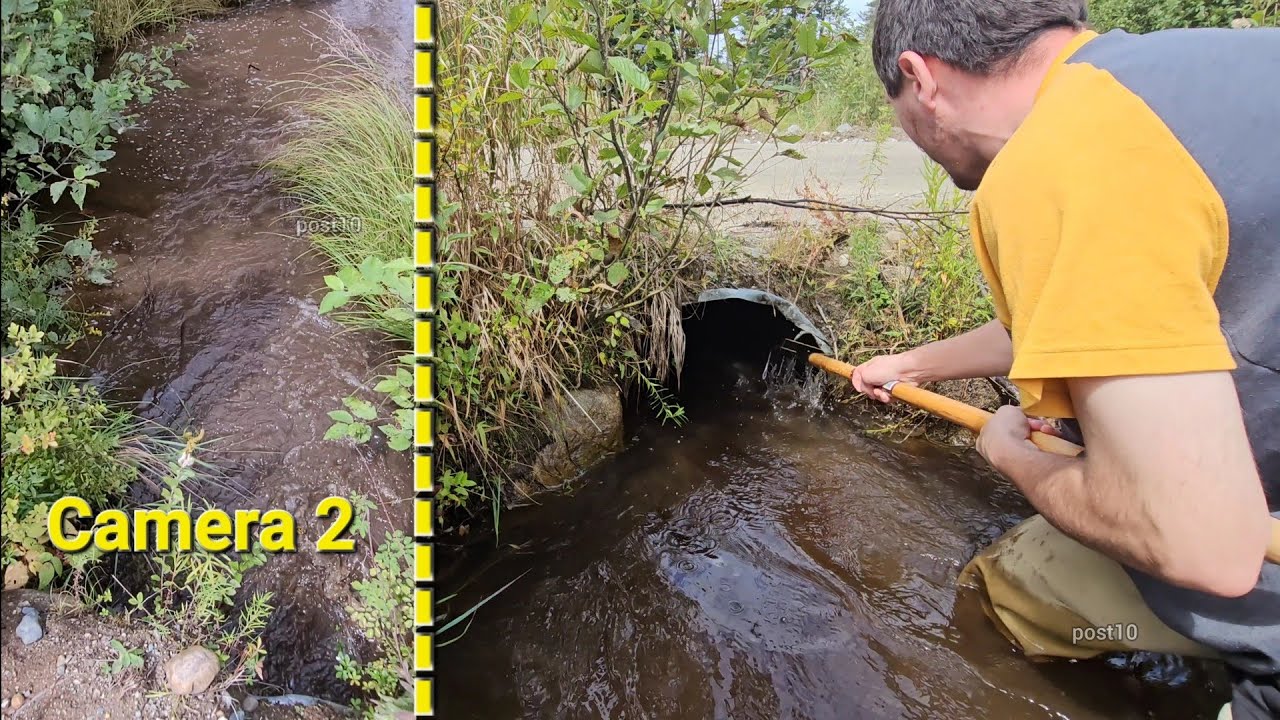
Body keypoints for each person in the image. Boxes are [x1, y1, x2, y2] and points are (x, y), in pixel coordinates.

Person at [853, 2, 1280, 717]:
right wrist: (915, 364)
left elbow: (1206, 547)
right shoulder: (1199, 77)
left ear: (919, 78)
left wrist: (1011, 453)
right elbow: (1086, 316)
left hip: (1236, 547)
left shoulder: (1062, 155)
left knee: (1002, 601)